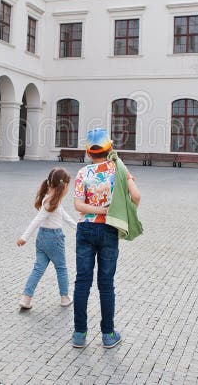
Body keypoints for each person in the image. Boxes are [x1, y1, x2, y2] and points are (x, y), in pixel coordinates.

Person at [71, 128, 141, 349]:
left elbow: (78, 205)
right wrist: (118, 211)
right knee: (106, 284)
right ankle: (108, 334)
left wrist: (97, 210)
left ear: (88, 152)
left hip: (85, 229)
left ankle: (79, 334)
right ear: (110, 148)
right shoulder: (118, 169)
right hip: (109, 229)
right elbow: (136, 196)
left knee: (82, 281)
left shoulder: (82, 173)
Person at [16, 167, 77, 310]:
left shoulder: (49, 200)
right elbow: (37, 220)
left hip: (42, 239)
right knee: (61, 268)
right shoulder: (52, 202)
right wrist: (24, 237)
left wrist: (78, 228)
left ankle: (26, 298)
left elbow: (65, 217)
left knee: (38, 269)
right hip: (55, 239)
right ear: (64, 185)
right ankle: (64, 297)